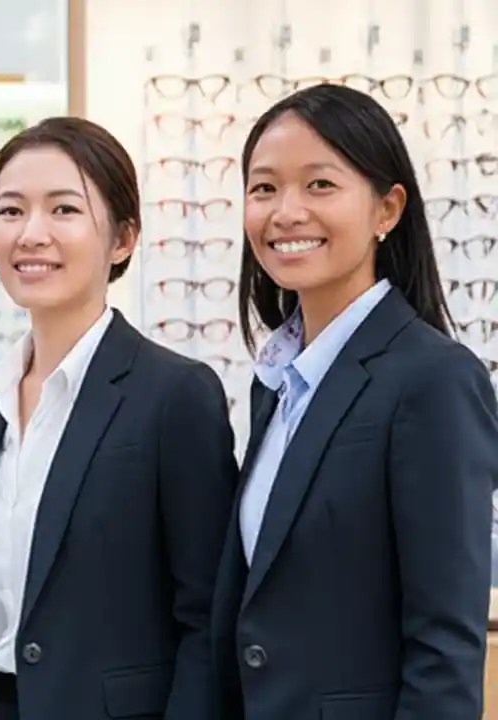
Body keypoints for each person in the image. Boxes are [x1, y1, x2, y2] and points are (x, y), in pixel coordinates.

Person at [210, 83, 498, 720]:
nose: (285, 212)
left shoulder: (433, 382)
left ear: (386, 209)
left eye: (319, 185)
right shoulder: (279, 385)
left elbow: (445, 647)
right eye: (264, 188)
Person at [0, 116, 239, 720]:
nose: (31, 233)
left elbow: (206, 620)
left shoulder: (174, 395)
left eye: (63, 210)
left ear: (124, 238)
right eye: (10, 211)